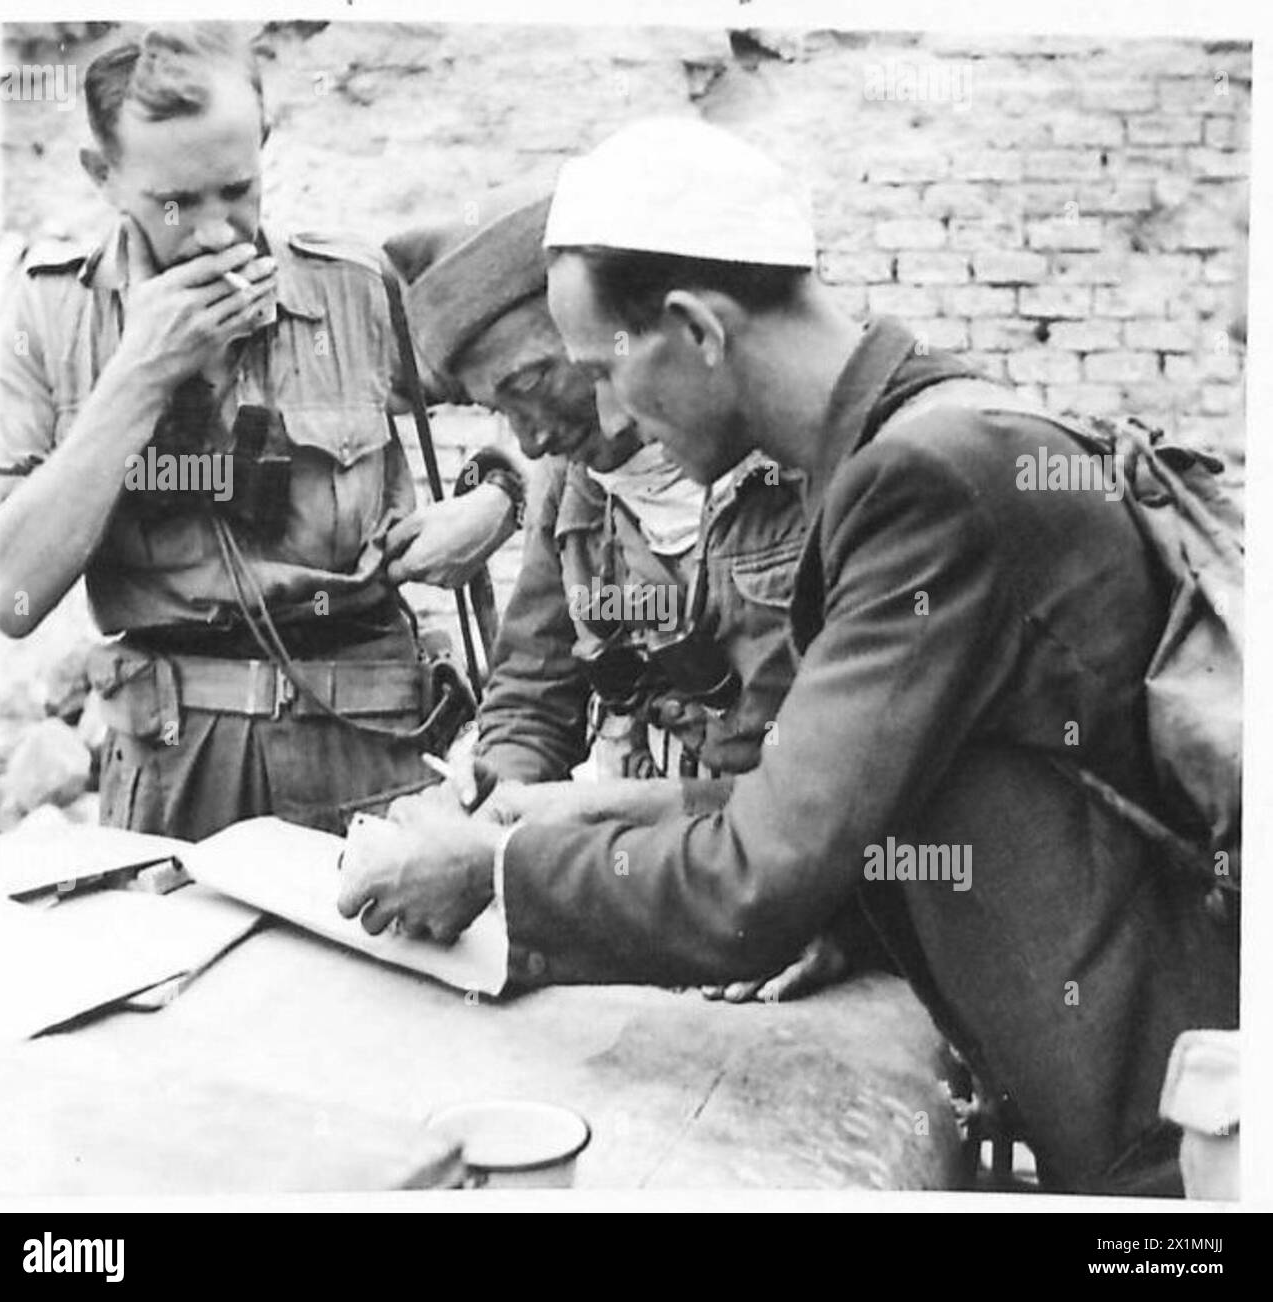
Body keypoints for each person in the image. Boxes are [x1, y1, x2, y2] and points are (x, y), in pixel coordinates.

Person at [337, 118, 1238, 1194]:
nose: (601, 423)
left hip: (1161, 1128)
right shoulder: (926, 437)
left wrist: (490, 873)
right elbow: (853, 795)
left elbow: (758, 878)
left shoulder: (927, 480)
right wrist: (594, 811)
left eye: (604, 375)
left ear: (695, 329)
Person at [0, 24, 520, 839]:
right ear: (102, 176)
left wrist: (499, 499)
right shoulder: (50, 314)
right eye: (177, 204)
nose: (214, 232)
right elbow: (11, 595)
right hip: (176, 767)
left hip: (366, 745)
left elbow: (568, 395)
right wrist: (140, 374)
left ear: (264, 144)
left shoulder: (354, 290)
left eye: (237, 191)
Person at [387, 191, 869, 1001]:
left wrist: (839, 912)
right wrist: (487, 804)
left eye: (536, 382)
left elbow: (864, 778)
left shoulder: (814, 464)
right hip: (672, 884)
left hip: (807, 881)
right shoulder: (574, 486)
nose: (531, 436)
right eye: (499, 411)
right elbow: (536, 689)